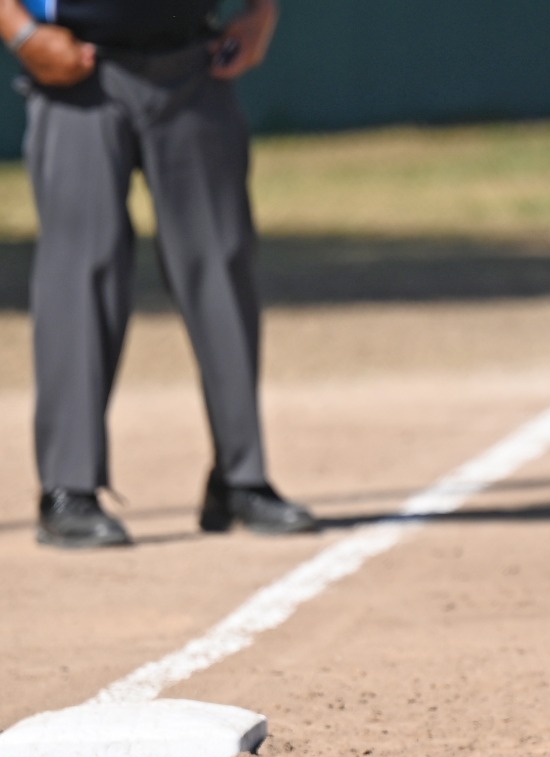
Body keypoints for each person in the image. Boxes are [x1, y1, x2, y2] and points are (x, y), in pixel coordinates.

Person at [3, 0, 316, 548]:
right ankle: (68, 489)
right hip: (77, 65)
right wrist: (20, 30)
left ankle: (241, 479)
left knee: (220, 262)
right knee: (81, 270)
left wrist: (262, 12)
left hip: (195, 60)